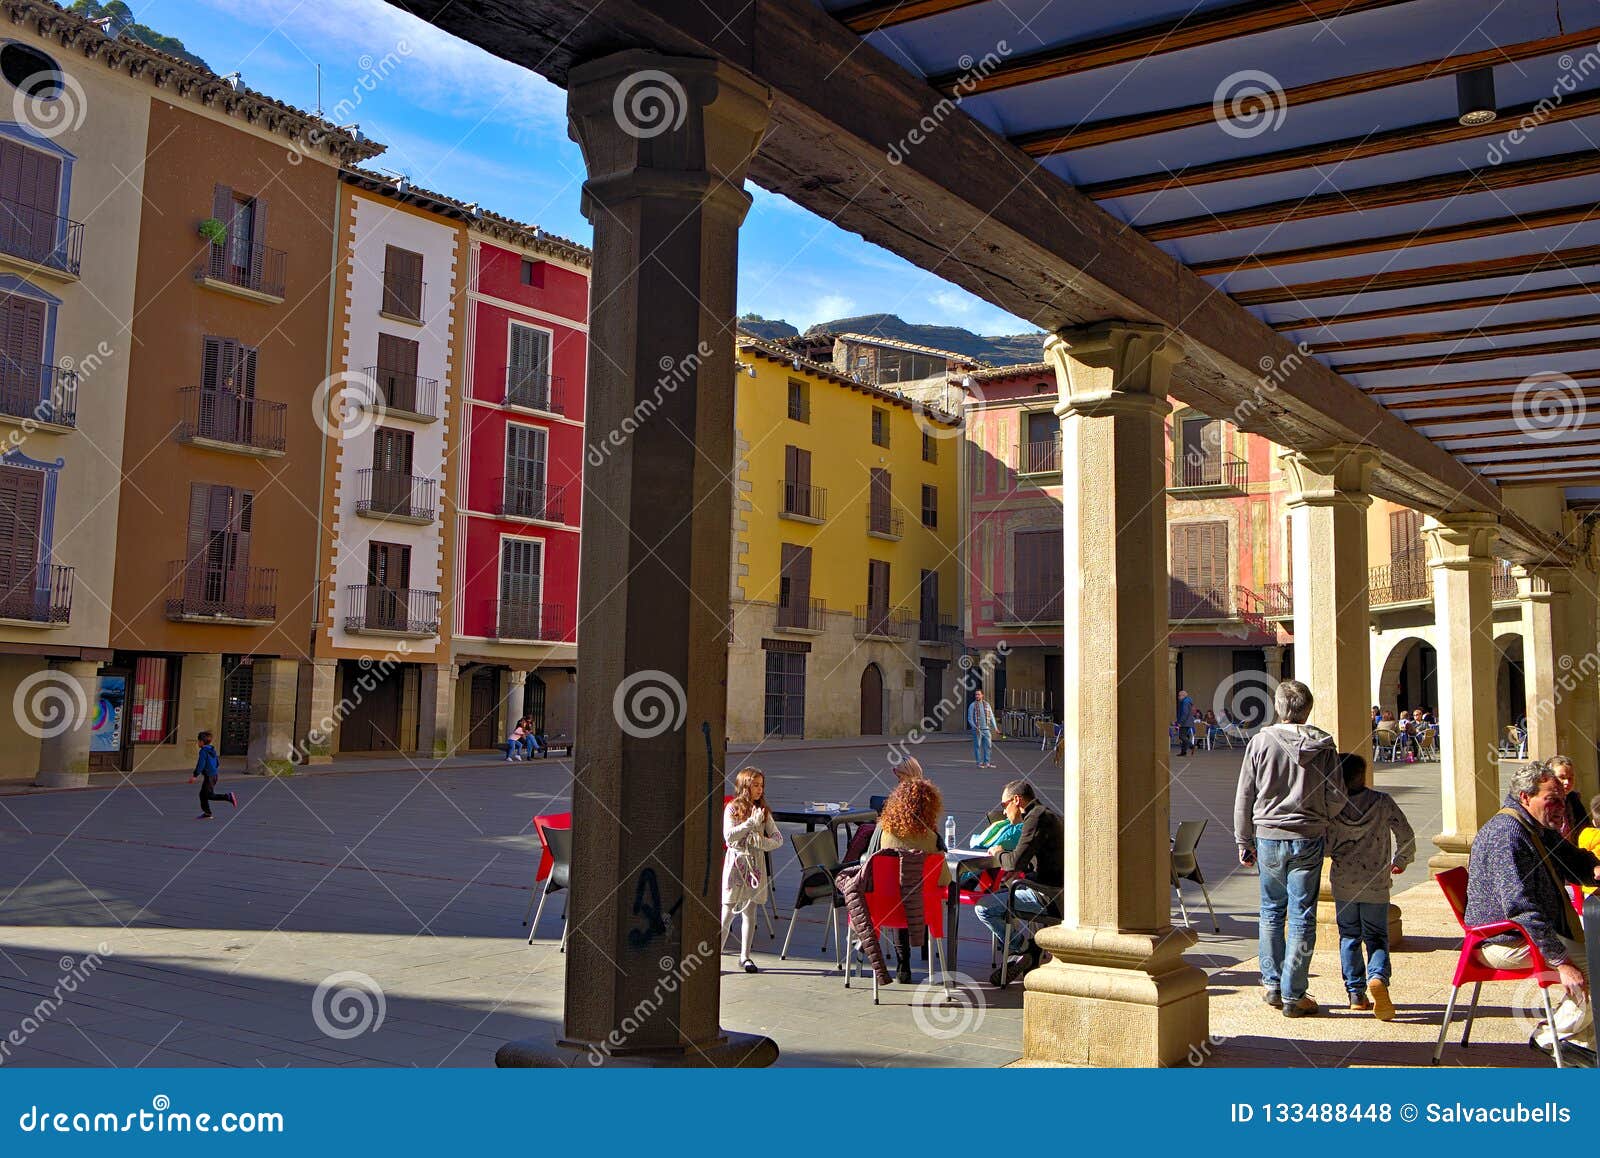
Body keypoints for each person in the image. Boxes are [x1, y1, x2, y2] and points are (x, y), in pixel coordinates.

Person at [1465, 761, 1600, 1054]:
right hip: (1502, 940)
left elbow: (1571, 860)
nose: (1561, 808)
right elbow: (1519, 907)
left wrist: (1595, 869)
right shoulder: (1508, 834)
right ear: (1526, 796)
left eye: (1563, 799)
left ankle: (1583, 1046)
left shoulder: (1535, 825)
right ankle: (1549, 1036)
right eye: (1552, 800)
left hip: (1529, 932)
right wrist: (1561, 960)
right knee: (1597, 968)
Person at [1233, 678, 1344, 1017]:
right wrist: (1320, 815)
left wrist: (1243, 839)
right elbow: (1337, 796)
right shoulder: (1324, 747)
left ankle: (1271, 983)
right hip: (1308, 836)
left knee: (1270, 912)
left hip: (1268, 836)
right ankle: (1294, 993)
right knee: (1302, 915)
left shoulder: (1260, 742)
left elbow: (1245, 796)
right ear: (1307, 709)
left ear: (1278, 708)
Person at [1328, 752, 1414, 1020]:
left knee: (1349, 936)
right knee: (1376, 936)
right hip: (1375, 882)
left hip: (1344, 883)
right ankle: (1378, 977)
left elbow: (1325, 846)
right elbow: (1406, 834)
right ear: (1363, 776)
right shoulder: (1382, 802)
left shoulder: (1333, 808)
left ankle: (1355, 993)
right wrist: (1401, 860)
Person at [973, 780, 1064, 984]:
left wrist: (998, 853)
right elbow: (1030, 859)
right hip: (1058, 892)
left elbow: (1014, 861)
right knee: (1006, 891)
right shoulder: (1047, 815)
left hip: (1048, 896)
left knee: (984, 907)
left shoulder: (1035, 818)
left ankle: (1024, 949)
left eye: (1004, 806)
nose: (1004, 813)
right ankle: (1025, 953)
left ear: (1016, 799)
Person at [873, 777, 952, 984]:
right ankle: (933, 961)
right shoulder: (931, 837)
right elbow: (944, 879)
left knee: (900, 896)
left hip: (886, 906)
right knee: (914, 896)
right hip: (923, 908)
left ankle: (903, 965)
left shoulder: (885, 833)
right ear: (929, 806)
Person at [721, 766, 783, 974]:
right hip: (736, 864)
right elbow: (729, 837)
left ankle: (745, 956)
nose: (759, 790)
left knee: (750, 910)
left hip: (755, 866)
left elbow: (778, 838)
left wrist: (761, 842)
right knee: (728, 911)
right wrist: (749, 824)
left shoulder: (763, 811)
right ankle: (715, 955)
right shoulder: (732, 808)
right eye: (755, 785)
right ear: (745, 786)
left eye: (762, 786)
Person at [188, 731, 237, 820]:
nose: (198, 743)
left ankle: (228, 796)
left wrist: (195, 775)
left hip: (209, 776)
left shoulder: (203, 751)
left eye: (198, 741)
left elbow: (201, 764)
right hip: (213, 775)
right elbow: (217, 763)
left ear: (202, 742)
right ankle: (207, 813)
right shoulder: (212, 750)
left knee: (209, 795)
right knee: (202, 794)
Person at [1548, 755, 1591, 838]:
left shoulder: (1573, 799)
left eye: (1570, 778)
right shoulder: (1545, 802)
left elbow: (1584, 826)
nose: (1567, 782)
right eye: (1562, 777)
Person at [968, 689, 997, 768]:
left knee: (988, 746)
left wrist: (996, 728)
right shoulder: (972, 705)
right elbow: (970, 718)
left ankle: (987, 763)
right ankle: (979, 763)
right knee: (977, 746)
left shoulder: (987, 704)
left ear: (982, 695)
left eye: (978, 694)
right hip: (977, 730)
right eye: (976, 695)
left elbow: (991, 717)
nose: (977, 696)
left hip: (986, 729)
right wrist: (975, 727)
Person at [1176, 689, 1196, 756]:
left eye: (1179, 696)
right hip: (1188, 722)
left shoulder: (1185, 702)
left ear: (1183, 695)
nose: (1178, 697)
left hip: (1185, 722)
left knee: (1182, 736)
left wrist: (1180, 722)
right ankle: (1183, 752)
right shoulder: (1187, 701)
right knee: (1184, 736)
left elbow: (1185, 713)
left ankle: (1192, 746)